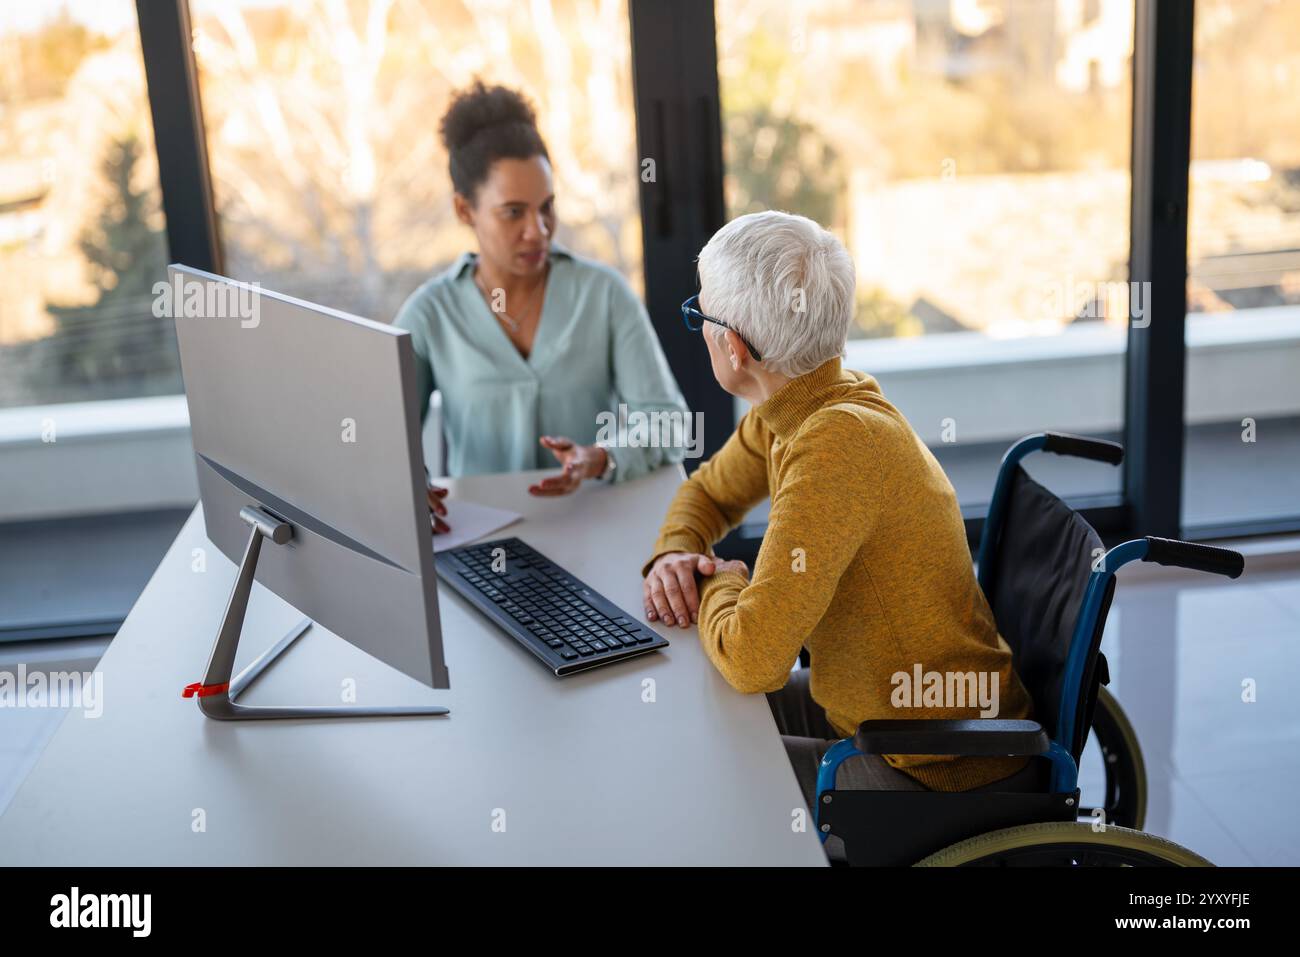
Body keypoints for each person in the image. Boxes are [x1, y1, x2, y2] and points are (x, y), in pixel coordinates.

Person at [640, 211, 1045, 845]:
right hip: (874, 707)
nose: (699, 330)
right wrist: (675, 554)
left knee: (706, 773)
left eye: (701, 316)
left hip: (936, 761)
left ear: (734, 347)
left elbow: (754, 660)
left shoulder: (836, 447)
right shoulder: (803, 403)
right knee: (699, 713)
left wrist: (718, 579)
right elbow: (708, 492)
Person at [394, 80, 688, 532]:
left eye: (547, 207)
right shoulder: (431, 313)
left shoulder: (605, 295)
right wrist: (410, 484)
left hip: (593, 531)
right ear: (464, 210)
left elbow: (670, 424)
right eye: (514, 212)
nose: (539, 231)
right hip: (475, 548)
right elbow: (383, 440)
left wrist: (603, 456)